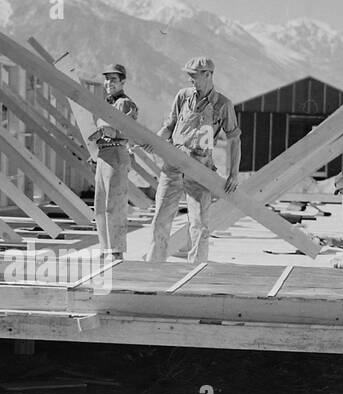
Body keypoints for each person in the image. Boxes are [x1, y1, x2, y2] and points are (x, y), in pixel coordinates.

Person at [146, 57, 241, 263]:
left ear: (208, 75)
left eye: (194, 76)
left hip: (200, 171)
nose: (190, 80)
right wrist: (153, 140)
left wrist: (233, 174)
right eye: (189, 75)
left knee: (198, 225)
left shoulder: (223, 105)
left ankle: (197, 272)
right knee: (160, 220)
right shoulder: (183, 96)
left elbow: (234, 139)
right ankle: (153, 268)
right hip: (173, 166)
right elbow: (170, 126)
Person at [88, 63, 138, 257]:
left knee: (114, 204)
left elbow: (125, 130)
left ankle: (116, 250)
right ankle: (105, 248)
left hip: (116, 153)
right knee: (100, 205)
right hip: (104, 155)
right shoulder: (107, 103)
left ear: (123, 81)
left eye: (114, 79)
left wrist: (102, 130)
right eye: (107, 79)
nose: (109, 83)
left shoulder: (125, 103)